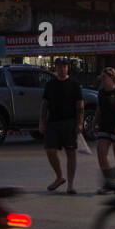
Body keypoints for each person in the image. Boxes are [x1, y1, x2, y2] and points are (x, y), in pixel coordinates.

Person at [41, 58, 85, 193]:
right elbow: (44, 104)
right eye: (59, 66)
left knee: (70, 152)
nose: (62, 69)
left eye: (64, 66)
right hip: (53, 122)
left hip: (70, 122)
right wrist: (41, 122)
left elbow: (80, 104)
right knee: (50, 150)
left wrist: (80, 122)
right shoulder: (50, 84)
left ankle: (70, 185)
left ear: (67, 68)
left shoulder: (74, 84)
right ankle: (59, 177)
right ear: (56, 68)